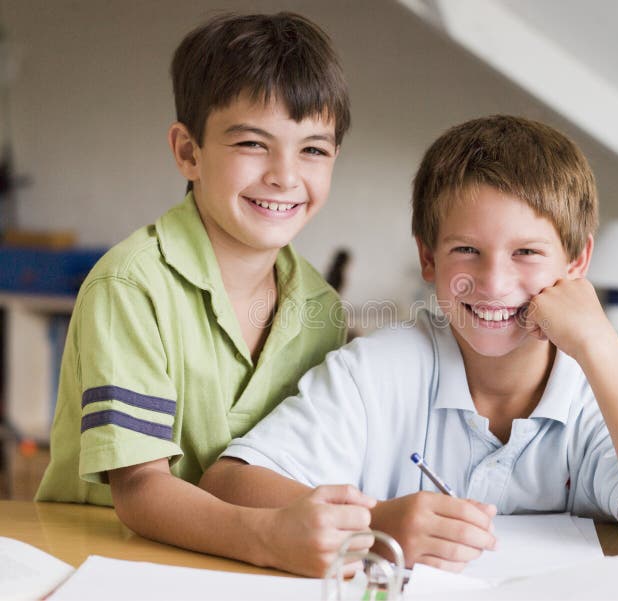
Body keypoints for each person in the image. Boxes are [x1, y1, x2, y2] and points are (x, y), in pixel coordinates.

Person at [200, 115, 618, 572]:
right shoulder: (380, 370)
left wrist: (599, 341)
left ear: (577, 263)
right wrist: (375, 523)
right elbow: (228, 486)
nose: (495, 282)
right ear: (429, 259)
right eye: (468, 250)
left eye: (526, 252)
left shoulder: (598, 386)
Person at [36, 13, 376, 577]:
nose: (285, 176)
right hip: (101, 568)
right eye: (252, 143)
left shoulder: (321, 310)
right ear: (188, 152)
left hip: (234, 572)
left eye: (313, 150)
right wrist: (270, 538)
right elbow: (141, 488)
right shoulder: (130, 285)